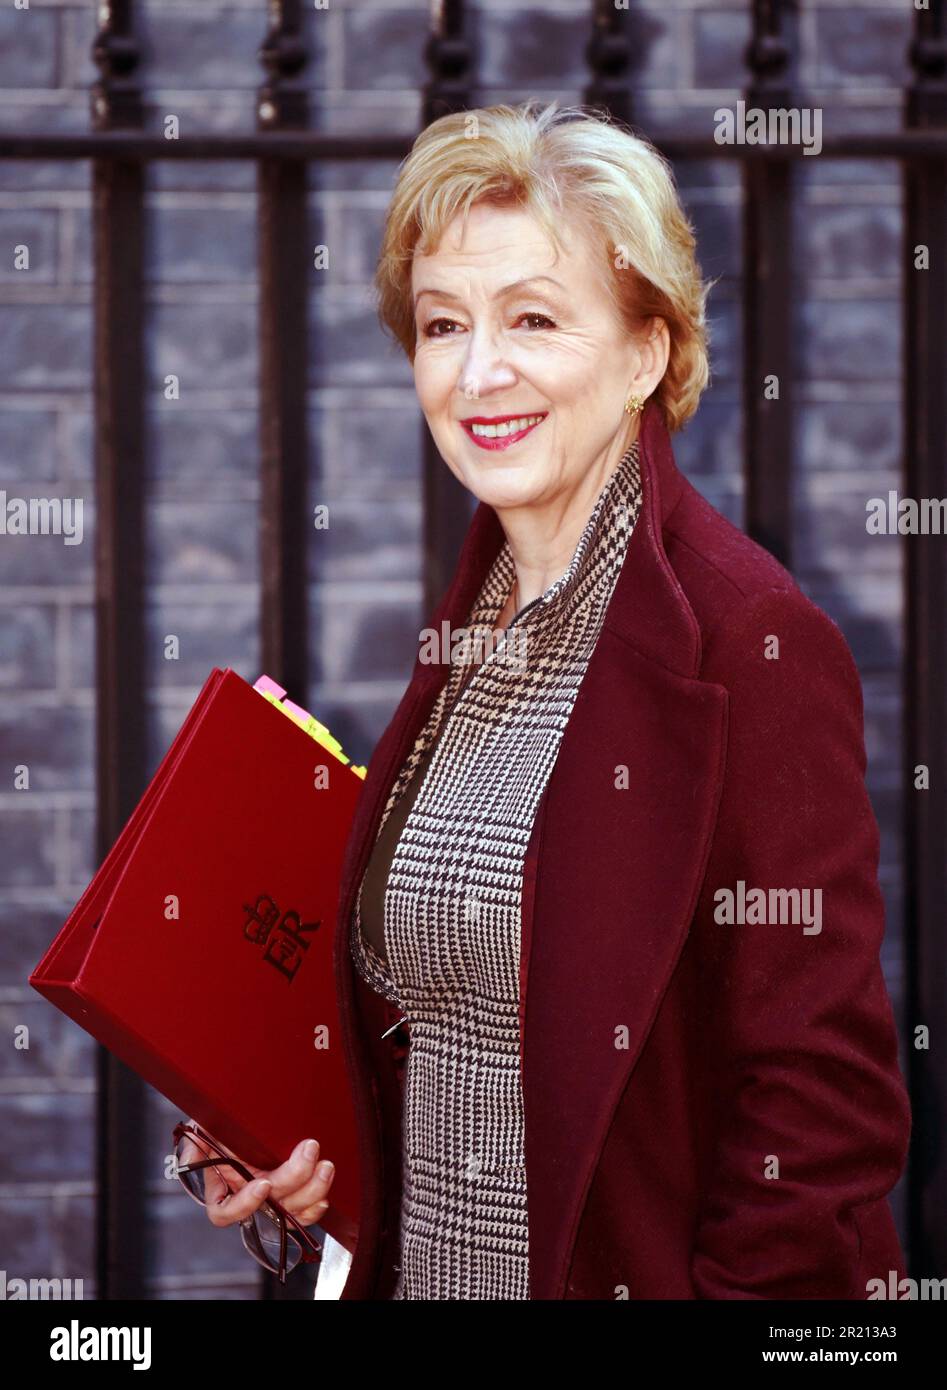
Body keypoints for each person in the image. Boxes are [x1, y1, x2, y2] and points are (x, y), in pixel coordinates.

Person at [203, 100, 911, 1301]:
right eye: (441, 324)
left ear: (646, 349)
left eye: (532, 316)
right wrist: (290, 1133)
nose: (479, 371)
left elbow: (820, 1107)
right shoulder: (474, 621)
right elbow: (438, 1010)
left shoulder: (748, 641)